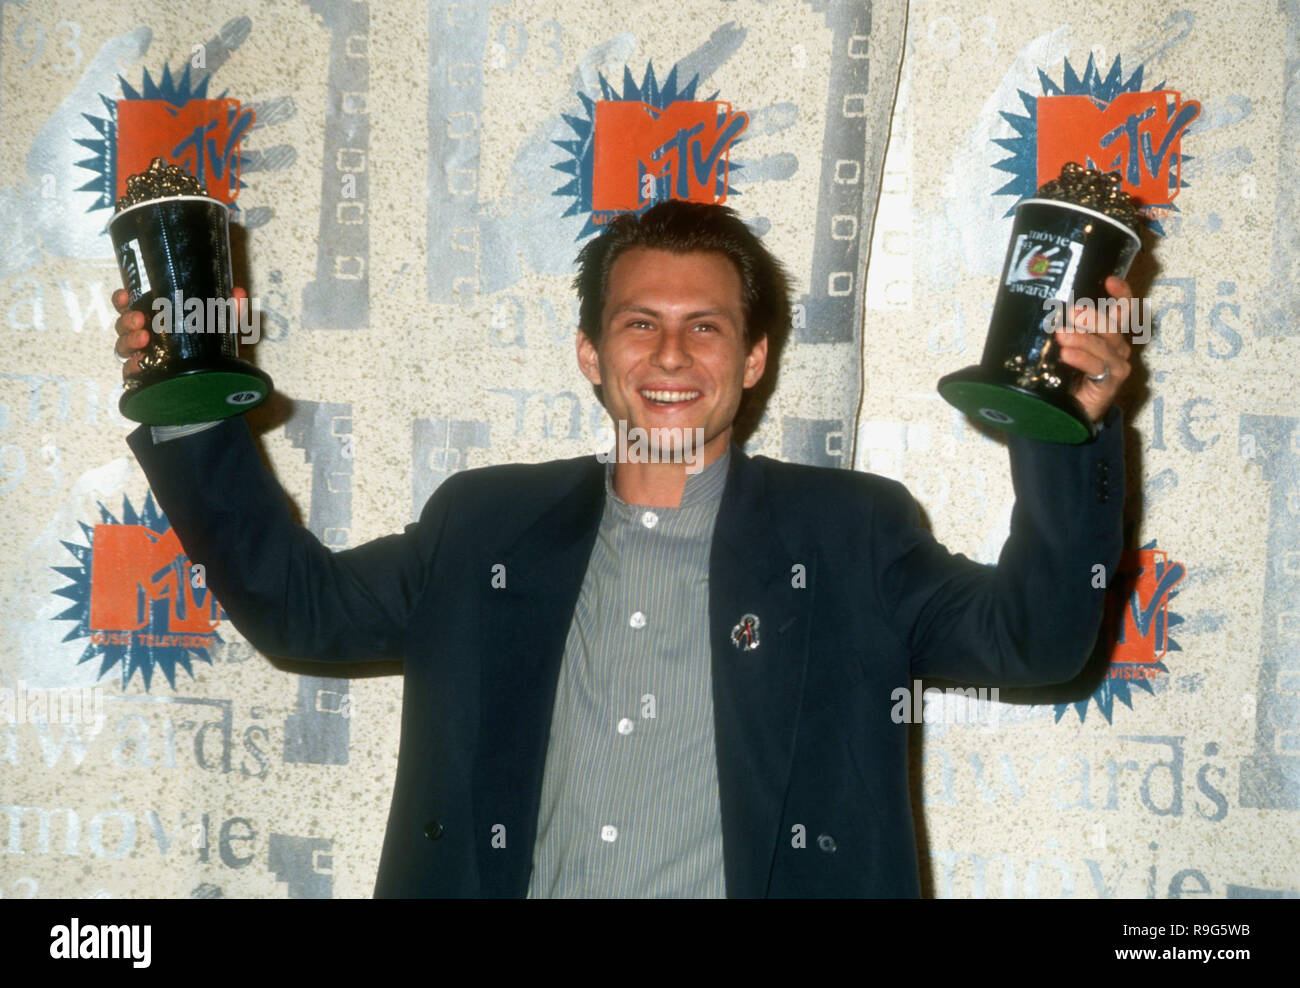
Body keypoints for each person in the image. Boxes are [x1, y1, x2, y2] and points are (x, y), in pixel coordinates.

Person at [114, 200, 1132, 897]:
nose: (673, 355)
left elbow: (1034, 644)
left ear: (755, 354)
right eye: (640, 324)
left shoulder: (852, 533)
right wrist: (191, 402)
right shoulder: (483, 527)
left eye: (707, 327)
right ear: (591, 355)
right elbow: (304, 614)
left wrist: (1068, 427)